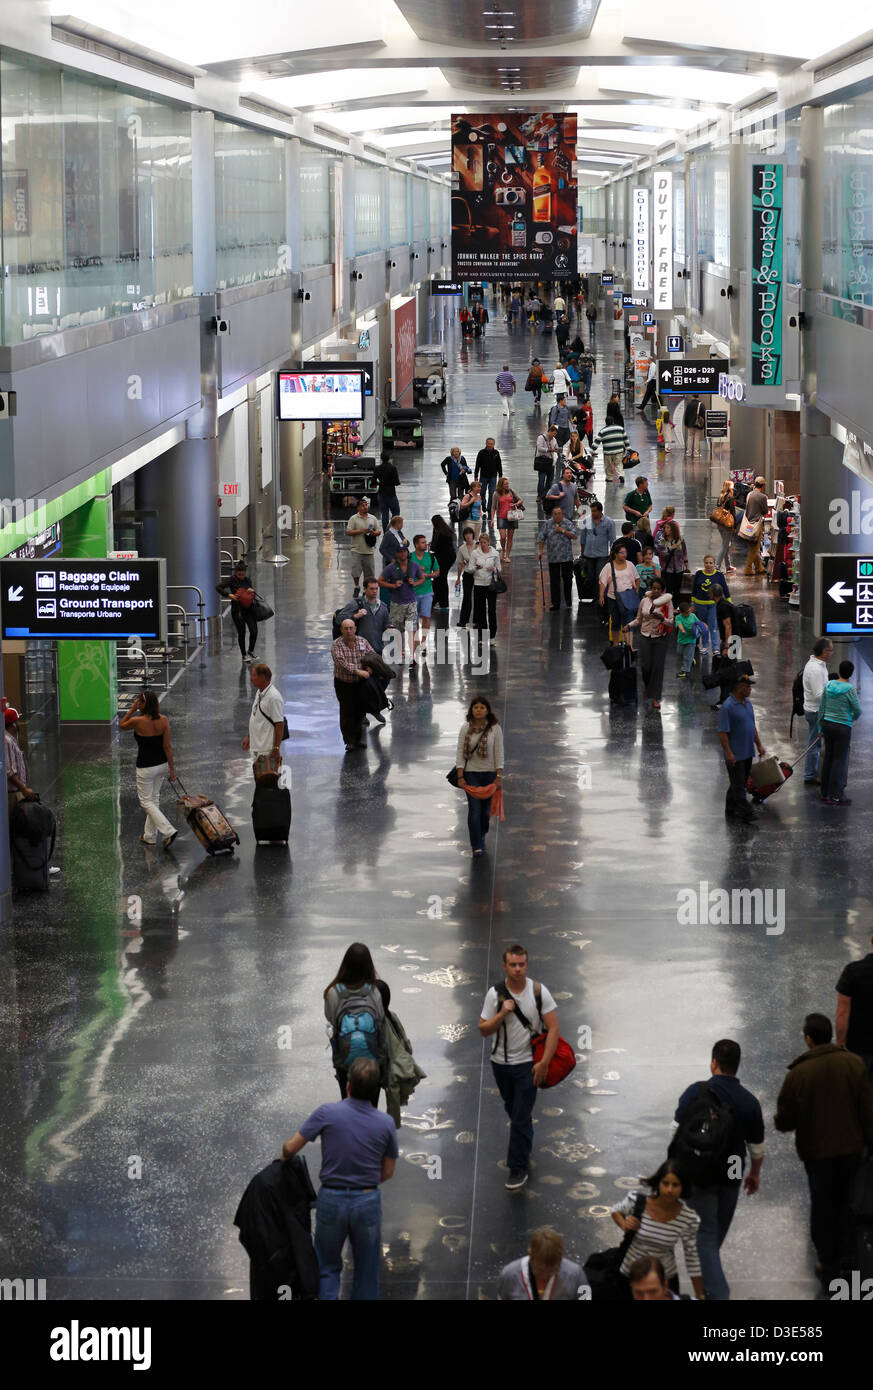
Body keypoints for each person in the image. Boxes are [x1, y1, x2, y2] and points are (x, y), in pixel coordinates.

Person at [281, 1057, 397, 1301]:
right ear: (376, 1090)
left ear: (347, 1086)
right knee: (366, 1272)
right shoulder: (386, 1124)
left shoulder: (327, 1112)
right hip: (366, 1201)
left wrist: (283, 1156)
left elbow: (291, 1148)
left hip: (331, 1200)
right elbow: (387, 1172)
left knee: (326, 1268)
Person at [773, 1012, 873, 1288]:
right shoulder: (854, 1064)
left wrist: (781, 1122)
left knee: (822, 1205)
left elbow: (785, 1120)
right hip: (851, 1149)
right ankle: (851, 1258)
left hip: (817, 1155)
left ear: (808, 1038)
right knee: (848, 1202)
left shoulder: (799, 1074)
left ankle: (827, 1262)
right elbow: (867, 1110)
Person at [673, 1039, 766, 1302]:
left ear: (713, 1062)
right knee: (714, 1234)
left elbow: (675, 1132)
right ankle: (710, 1287)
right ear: (737, 1065)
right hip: (733, 1173)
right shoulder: (749, 1101)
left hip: (698, 1173)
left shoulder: (695, 1092)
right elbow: (757, 1148)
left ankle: (718, 1294)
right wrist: (754, 1174)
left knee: (705, 1234)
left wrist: (675, 1168)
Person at [478, 943, 559, 1188]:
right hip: (500, 1065)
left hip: (528, 1065)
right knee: (514, 1112)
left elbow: (553, 1028)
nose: (518, 969)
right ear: (505, 966)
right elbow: (483, 1029)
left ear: (527, 964)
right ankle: (524, 1145)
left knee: (520, 1116)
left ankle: (517, 1167)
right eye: (513, 964)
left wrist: (543, 1063)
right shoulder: (495, 994)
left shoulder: (539, 992)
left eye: (521, 964)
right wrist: (502, 1014)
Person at [611, 1159, 704, 1300]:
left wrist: (700, 1294)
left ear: (682, 1187)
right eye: (665, 1183)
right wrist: (625, 1225)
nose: (669, 1190)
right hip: (631, 1276)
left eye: (675, 1185)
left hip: (663, 1281)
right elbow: (615, 1211)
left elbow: (692, 1258)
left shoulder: (688, 1218)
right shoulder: (637, 1202)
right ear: (658, 1183)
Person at [323, 943, 390, 1100]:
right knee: (371, 1105)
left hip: (344, 1059)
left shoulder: (333, 992)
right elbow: (380, 1019)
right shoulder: (374, 991)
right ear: (369, 965)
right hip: (373, 1060)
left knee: (347, 1102)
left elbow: (331, 1018)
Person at [119, 690, 178, 849]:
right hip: (162, 765)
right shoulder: (164, 720)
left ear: (143, 704)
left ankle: (168, 830)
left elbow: (121, 725)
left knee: (145, 802)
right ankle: (149, 836)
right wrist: (172, 769)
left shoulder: (137, 721)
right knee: (154, 799)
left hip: (145, 767)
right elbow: (167, 747)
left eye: (139, 701)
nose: (137, 704)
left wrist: (131, 710)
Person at [456, 697, 504, 856]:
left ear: (487, 711)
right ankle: (476, 844)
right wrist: (460, 776)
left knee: (485, 812)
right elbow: (460, 753)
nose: (478, 710)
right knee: (474, 811)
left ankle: (482, 832)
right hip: (471, 775)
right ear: (471, 710)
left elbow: (499, 752)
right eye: (475, 707)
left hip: (490, 774)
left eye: (482, 707)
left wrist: (498, 775)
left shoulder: (495, 729)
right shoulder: (465, 728)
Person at [717, 674, 765, 823]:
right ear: (739, 687)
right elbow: (723, 732)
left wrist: (758, 744)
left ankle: (730, 810)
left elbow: (752, 726)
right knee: (739, 786)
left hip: (747, 752)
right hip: (735, 754)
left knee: (739, 783)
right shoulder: (728, 707)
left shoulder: (748, 703)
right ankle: (746, 813)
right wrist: (728, 752)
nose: (750, 689)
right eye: (747, 687)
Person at [497, 1228, 588, 1300]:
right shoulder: (509, 1275)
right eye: (540, 1270)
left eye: (552, 1271)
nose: (545, 1276)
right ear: (530, 1255)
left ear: (560, 1259)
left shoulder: (576, 1275)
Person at [819, 659, 862, 806]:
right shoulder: (849, 689)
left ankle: (824, 794)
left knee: (828, 758)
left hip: (827, 724)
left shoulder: (829, 685)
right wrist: (851, 719)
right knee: (839, 760)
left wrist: (820, 728)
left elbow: (821, 707)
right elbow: (858, 710)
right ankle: (836, 796)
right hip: (842, 727)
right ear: (851, 673)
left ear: (839, 670)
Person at [626, 576, 673, 709]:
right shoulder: (644, 601)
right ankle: (647, 687)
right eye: (654, 588)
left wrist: (662, 618)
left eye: (658, 589)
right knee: (646, 666)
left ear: (663, 590)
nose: (656, 591)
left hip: (661, 637)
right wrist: (629, 625)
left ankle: (655, 698)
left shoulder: (667, 602)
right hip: (645, 636)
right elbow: (639, 619)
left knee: (658, 668)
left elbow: (671, 621)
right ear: (650, 589)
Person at [331, 619, 375, 750]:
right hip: (343, 683)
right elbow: (341, 662)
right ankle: (349, 741)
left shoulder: (363, 641)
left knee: (360, 711)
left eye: (351, 628)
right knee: (346, 711)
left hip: (360, 683)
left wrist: (370, 668)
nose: (349, 631)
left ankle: (358, 738)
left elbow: (372, 654)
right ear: (341, 630)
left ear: (355, 629)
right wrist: (358, 671)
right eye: (346, 628)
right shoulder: (337, 645)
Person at [836, 931, 873, 1086]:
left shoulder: (853, 971)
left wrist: (840, 1045)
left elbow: (842, 1013)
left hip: (858, 1047)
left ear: (872, 940)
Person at [380, 546, 424, 671]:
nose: (402, 553)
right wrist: (393, 585)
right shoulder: (391, 567)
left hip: (411, 603)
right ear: (397, 554)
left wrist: (415, 583)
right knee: (398, 631)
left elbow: (422, 578)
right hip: (397, 603)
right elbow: (380, 581)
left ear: (407, 552)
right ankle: (400, 653)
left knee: (411, 630)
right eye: (400, 551)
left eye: (404, 551)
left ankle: (412, 657)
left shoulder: (414, 566)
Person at [243, 662, 286, 775]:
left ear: (262, 677)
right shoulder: (260, 692)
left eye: (254, 675)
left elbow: (279, 724)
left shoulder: (274, 698)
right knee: (260, 782)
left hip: (267, 750)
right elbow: (256, 716)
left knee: (268, 784)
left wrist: (276, 749)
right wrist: (249, 736)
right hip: (258, 747)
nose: (251, 678)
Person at [801, 639, 833, 784]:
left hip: (816, 710)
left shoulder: (820, 665)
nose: (832, 653)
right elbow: (818, 694)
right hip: (815, 712)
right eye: (830, 650)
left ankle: (812, 772)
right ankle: (809, 775)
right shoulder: (815, 669)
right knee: (814, 744)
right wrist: (834, 695)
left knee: (816, 742)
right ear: (824, 651)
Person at [599, 541, 640, 647]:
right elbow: (602, 581)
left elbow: (637, 579)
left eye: (625, 552)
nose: (624, 554)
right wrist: (601, 595)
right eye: (622, 552)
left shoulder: (630, 565)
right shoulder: (609, 566)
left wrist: (635, 592)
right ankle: (616, 646)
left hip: (628, 599)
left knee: (629, 623)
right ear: (616, 554)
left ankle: (629, 646)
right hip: (613, 599)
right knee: (615, 622)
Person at [538, 503, 578, 611]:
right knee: (554, 581)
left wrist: (563, 531)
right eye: (555, 514)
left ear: (562, 514)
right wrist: (540, 551)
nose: (557, 516)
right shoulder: (548, 524)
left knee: (568, 579)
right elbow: (541, 537)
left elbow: (574, 536)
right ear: (552, 515)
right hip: (553, 557)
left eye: (559, 513)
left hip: (566, 557)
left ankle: (568, 601)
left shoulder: (567, 523)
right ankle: (555, 603)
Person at [336, 578, 391, 655]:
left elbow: (387, 623)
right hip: (359, 649)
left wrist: (389, 628)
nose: (375, 591)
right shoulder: (356, 604)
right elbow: (339, 619)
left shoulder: (383, 607)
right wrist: (355, 616)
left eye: (376, 588)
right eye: (371, 589)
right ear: (365, 589)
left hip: (378, 650)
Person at [221, 560, 258, 663]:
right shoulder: (231, 580)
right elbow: (218, 587)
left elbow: (252, 595)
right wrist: (229, 595)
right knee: (242, 633)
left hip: (249, 609)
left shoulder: (247, 580)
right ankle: (243, 655)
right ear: (236, 573)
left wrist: (252, 591)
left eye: (243, 574)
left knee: (254, 631)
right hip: (237, 610)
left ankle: (250, 650)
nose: (241, 576)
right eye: (239, 574)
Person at [691, 555, 730, 653]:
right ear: (704, 563)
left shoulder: (719, 575)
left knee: (713, 625)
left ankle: (715, 647)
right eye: (706, 563)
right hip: (699, 604)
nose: (708, 565)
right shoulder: (699, 574)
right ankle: (704, 646)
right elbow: (694, 589)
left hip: (713, 605)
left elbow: (725, 589)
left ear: (714, 564)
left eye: (710, 563)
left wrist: (729, 602)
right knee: (703, 627)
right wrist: (692, 603)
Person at [410, 534, 438, 663]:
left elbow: (437, 572)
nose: (425, 544)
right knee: (414, 619)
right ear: (416, 544)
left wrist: (427, 574)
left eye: (425, 542)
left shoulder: (430, 557)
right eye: (422, 542)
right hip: (413, 593)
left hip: (427, 591)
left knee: (426, 617)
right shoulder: (410, 557)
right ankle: (416, 641)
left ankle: (424, 642)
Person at [469, 531, 502, 642]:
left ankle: (492, 636)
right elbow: (470, 568)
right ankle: (481, 636)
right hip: (478, 584)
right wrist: (475, 568)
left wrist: (494, 569)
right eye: (481, 542)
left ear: (488, 543)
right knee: (480, 611)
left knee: (492, 610)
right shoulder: (475, 553)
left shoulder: (495, 554)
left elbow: (499, 568)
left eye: (484, 542)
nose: (482, 544)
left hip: (490, 585)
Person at [579, 501, 615, 597]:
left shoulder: (609, 522)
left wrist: (611, 556)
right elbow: (583, 539)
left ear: (600, 511)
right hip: (588, 555)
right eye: (591, 511)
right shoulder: (586, 521)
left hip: (602, 556)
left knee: (599, 578)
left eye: (594, 511)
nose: (592, 513)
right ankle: (594, 596)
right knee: (590, 577)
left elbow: (612, 541)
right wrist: (582, 553)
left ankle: (599, 598)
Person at [345, 497, 381, 594]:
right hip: (357, 549)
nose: (365, 507)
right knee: (356, 570)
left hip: (369, 550)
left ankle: (367, 589)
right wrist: (362, 531)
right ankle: (357, 586)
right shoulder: (353, 519)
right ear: (358, 508)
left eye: (366, 505)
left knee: (369, 572)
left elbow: (379, 531)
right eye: (363, 505)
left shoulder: (372, 518)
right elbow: (349, 532)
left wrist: (374, 533)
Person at [656, 519, 689, 607]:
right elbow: (659, 553)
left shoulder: (680, 540)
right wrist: (669, 548)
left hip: (679, 569)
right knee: (669, 589)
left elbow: (684, 552)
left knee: (677, 589)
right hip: (668, 569)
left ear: (673, 529)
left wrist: (686, 565)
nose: (665, 529)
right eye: (665, 527)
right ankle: (669, 607)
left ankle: (675, 607)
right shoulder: (662, 540)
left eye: (667, 527)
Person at [491, 477, 523, 562]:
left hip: (512, 516)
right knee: (503, 536)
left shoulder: (511, 492)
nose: (507, 485)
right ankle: (503, 550)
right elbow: (493, 507)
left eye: (507, 484)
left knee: (510, 537)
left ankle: (507, 555)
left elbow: (520, 500)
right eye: (505, 484)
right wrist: (492, 519)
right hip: (501, 517)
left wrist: (515, 504)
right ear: (501, 485)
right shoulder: (496, 494)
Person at [742, 477, 769, 576]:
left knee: (753, 547)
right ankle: (748, 569)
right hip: (757, 525)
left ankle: (759, 567)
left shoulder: (749, 494)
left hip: (748, 524)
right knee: (754, 549)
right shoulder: (762, 497)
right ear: (763, 485)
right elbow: (765, 511)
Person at [430, 515, 457, 612]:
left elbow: (434, 547)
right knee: (442, 578)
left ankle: (443, 602)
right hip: (449, 557)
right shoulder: (446, 531)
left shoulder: (439, 533)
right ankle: (441, 601)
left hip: (442, 558)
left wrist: (431, 544)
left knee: (440, 579)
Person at [675, 598, 706, 678]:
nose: (688, 613)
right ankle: (691, 659)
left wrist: (704, 626)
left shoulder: (693, 616)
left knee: (686, 656)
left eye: (689, 611)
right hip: (681, 639)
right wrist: (682, 630)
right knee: (680, 652)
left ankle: (685, 671)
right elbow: (679, 624)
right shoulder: (678, 617)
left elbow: (698, 623)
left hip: (691, 640)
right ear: (681, 612)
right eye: (686, 612)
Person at [594, 415, 630, 484]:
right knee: (619, 464)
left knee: (608, 466)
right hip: (619, 450)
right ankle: (621, 475)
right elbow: (626, 439)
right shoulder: (620, 428)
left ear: (606, 423)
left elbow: (597, 441)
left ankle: (609, 478)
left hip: (608, 452)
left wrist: (592, 450)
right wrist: (628, 449)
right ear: (613, 421)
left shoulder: (603, 431)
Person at [454, 525, 477, 629]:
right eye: (466, 534)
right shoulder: (462, 549)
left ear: (473, 535)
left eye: (470, 534)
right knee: (467, 597)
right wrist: (458, 578)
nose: (468, 536)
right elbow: (460, 564)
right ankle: (463, 620)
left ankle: (477, 620)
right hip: (467, 574)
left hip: (478, 574)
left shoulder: (478, 545)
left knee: (478, 597)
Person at [474, 437, 503, 517]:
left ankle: (490, 509)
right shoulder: (481, 453)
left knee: (492, 493)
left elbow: (499, 465)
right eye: (488, 443)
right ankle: (483, 504)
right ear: (486, 444)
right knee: (482, 492)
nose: (490, 445)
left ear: (493, 444)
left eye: (491, 444)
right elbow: (477, 465)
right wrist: (476, 475)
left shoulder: (496, 453)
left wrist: (500, 475)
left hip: (493, 476)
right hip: (483, 476)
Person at [713, 480, 737, 573]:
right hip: (728, 524)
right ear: (729, 487)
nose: (733, 487)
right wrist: (734, 527)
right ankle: (717, 567)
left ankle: (728, 566)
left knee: (726, 545)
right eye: (732, 486)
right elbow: (733, 513)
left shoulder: (720, 497)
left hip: (720, 524)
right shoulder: (730, 498)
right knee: (725, 545)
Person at [374, 451, 401, 535]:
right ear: (389, 458)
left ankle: (386, 532)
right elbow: (397, 482)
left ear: (381, 458)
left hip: (382, 494)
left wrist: (380, 483)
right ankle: (393, 529)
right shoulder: (393, 468)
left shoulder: (377, 468)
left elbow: (373, 481)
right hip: (391, 494)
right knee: (396, 512)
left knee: (384, 514)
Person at [534, 425, 560, 500]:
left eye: (555, 434)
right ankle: (539, 495)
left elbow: (556, 447)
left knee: (550, 479)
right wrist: (549, 450)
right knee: (541, 479)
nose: (554, 435)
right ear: (549, 431)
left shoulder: (554, 440)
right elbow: (539, 448)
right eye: (553, 433)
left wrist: (557, 449)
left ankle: (546, 494)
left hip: (550, 461)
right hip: (542, 461)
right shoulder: (541, 438)